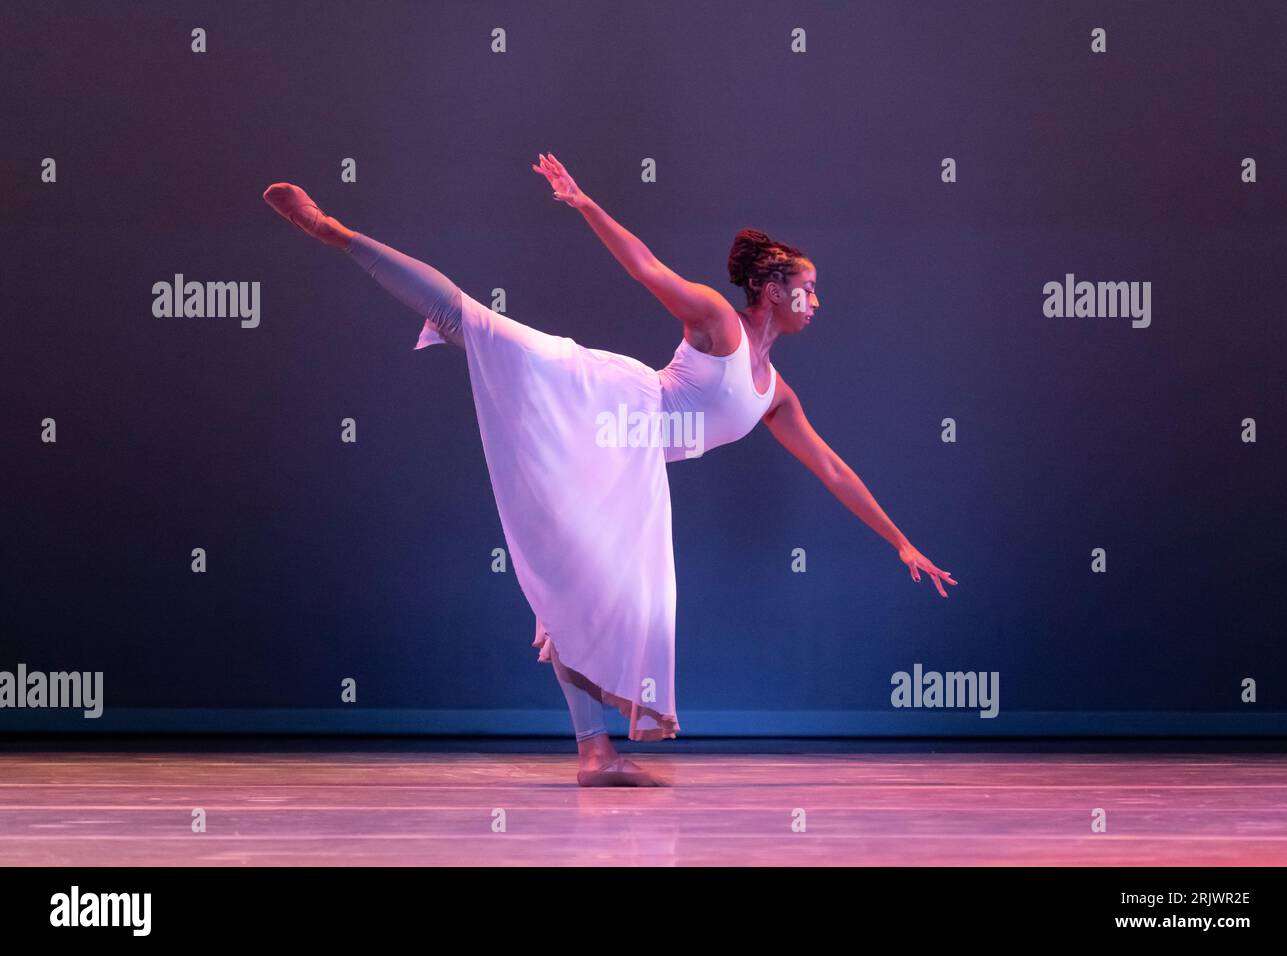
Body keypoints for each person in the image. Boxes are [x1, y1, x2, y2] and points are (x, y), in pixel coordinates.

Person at [262, 153, 956, 787]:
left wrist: (899, 541)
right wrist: (584, 201)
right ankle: (334, 231)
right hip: (613, 401)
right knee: (469, 320)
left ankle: (596, 753)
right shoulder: (719, 322)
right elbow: (647, 269)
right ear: (772, 290)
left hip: (631, 467)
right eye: (809, 289)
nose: (817, 301)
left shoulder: (775, 392)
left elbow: (831, 468)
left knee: (606, 597)